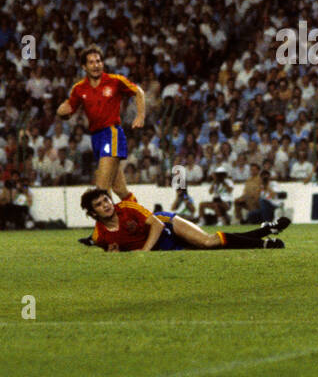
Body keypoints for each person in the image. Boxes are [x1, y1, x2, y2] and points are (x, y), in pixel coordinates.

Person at [56, 47, 146, 201]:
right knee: (120, 189)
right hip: (96, 137)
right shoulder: (78, 89)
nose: (96, 65)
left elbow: (139, 92)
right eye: (91, 62)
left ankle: (108, 225)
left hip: (111, 133)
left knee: (101, 188)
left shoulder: (115, 80)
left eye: (98, 61)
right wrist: (61, 112)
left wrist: (140, 116)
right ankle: (144, 220)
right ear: (84, 67)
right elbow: (68, 109)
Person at [78, 188, 289, 251]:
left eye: (106, 200)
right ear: (93, 213)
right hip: (163, 246)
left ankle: (264, 245)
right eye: (99, 204)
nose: (106, 205)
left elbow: (157, 224)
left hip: (167, 225)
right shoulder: (99, 235)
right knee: (212, 247)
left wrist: (145, 251)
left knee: (207, 241)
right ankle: (265, 231)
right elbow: (110, 249)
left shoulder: (127, 208)